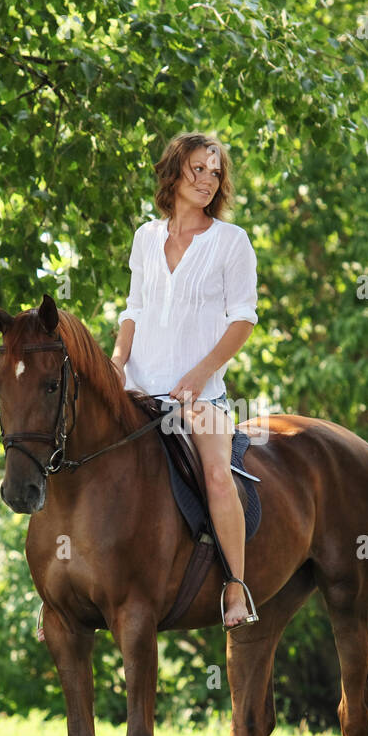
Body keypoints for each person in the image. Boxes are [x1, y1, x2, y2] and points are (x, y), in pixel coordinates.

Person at [111, 132, 258, 628]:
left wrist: (199, 373)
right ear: (174, 172)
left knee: (217, 475)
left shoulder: (230, 242)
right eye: (198, 168)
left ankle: (236, 587)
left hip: (200, 398)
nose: (208, 179)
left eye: (215, 172)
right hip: (136, 390)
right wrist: (117, 359)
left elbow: (242, 321)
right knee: (74, 457)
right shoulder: (145, 237)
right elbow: (134, 308)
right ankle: (58, 594)